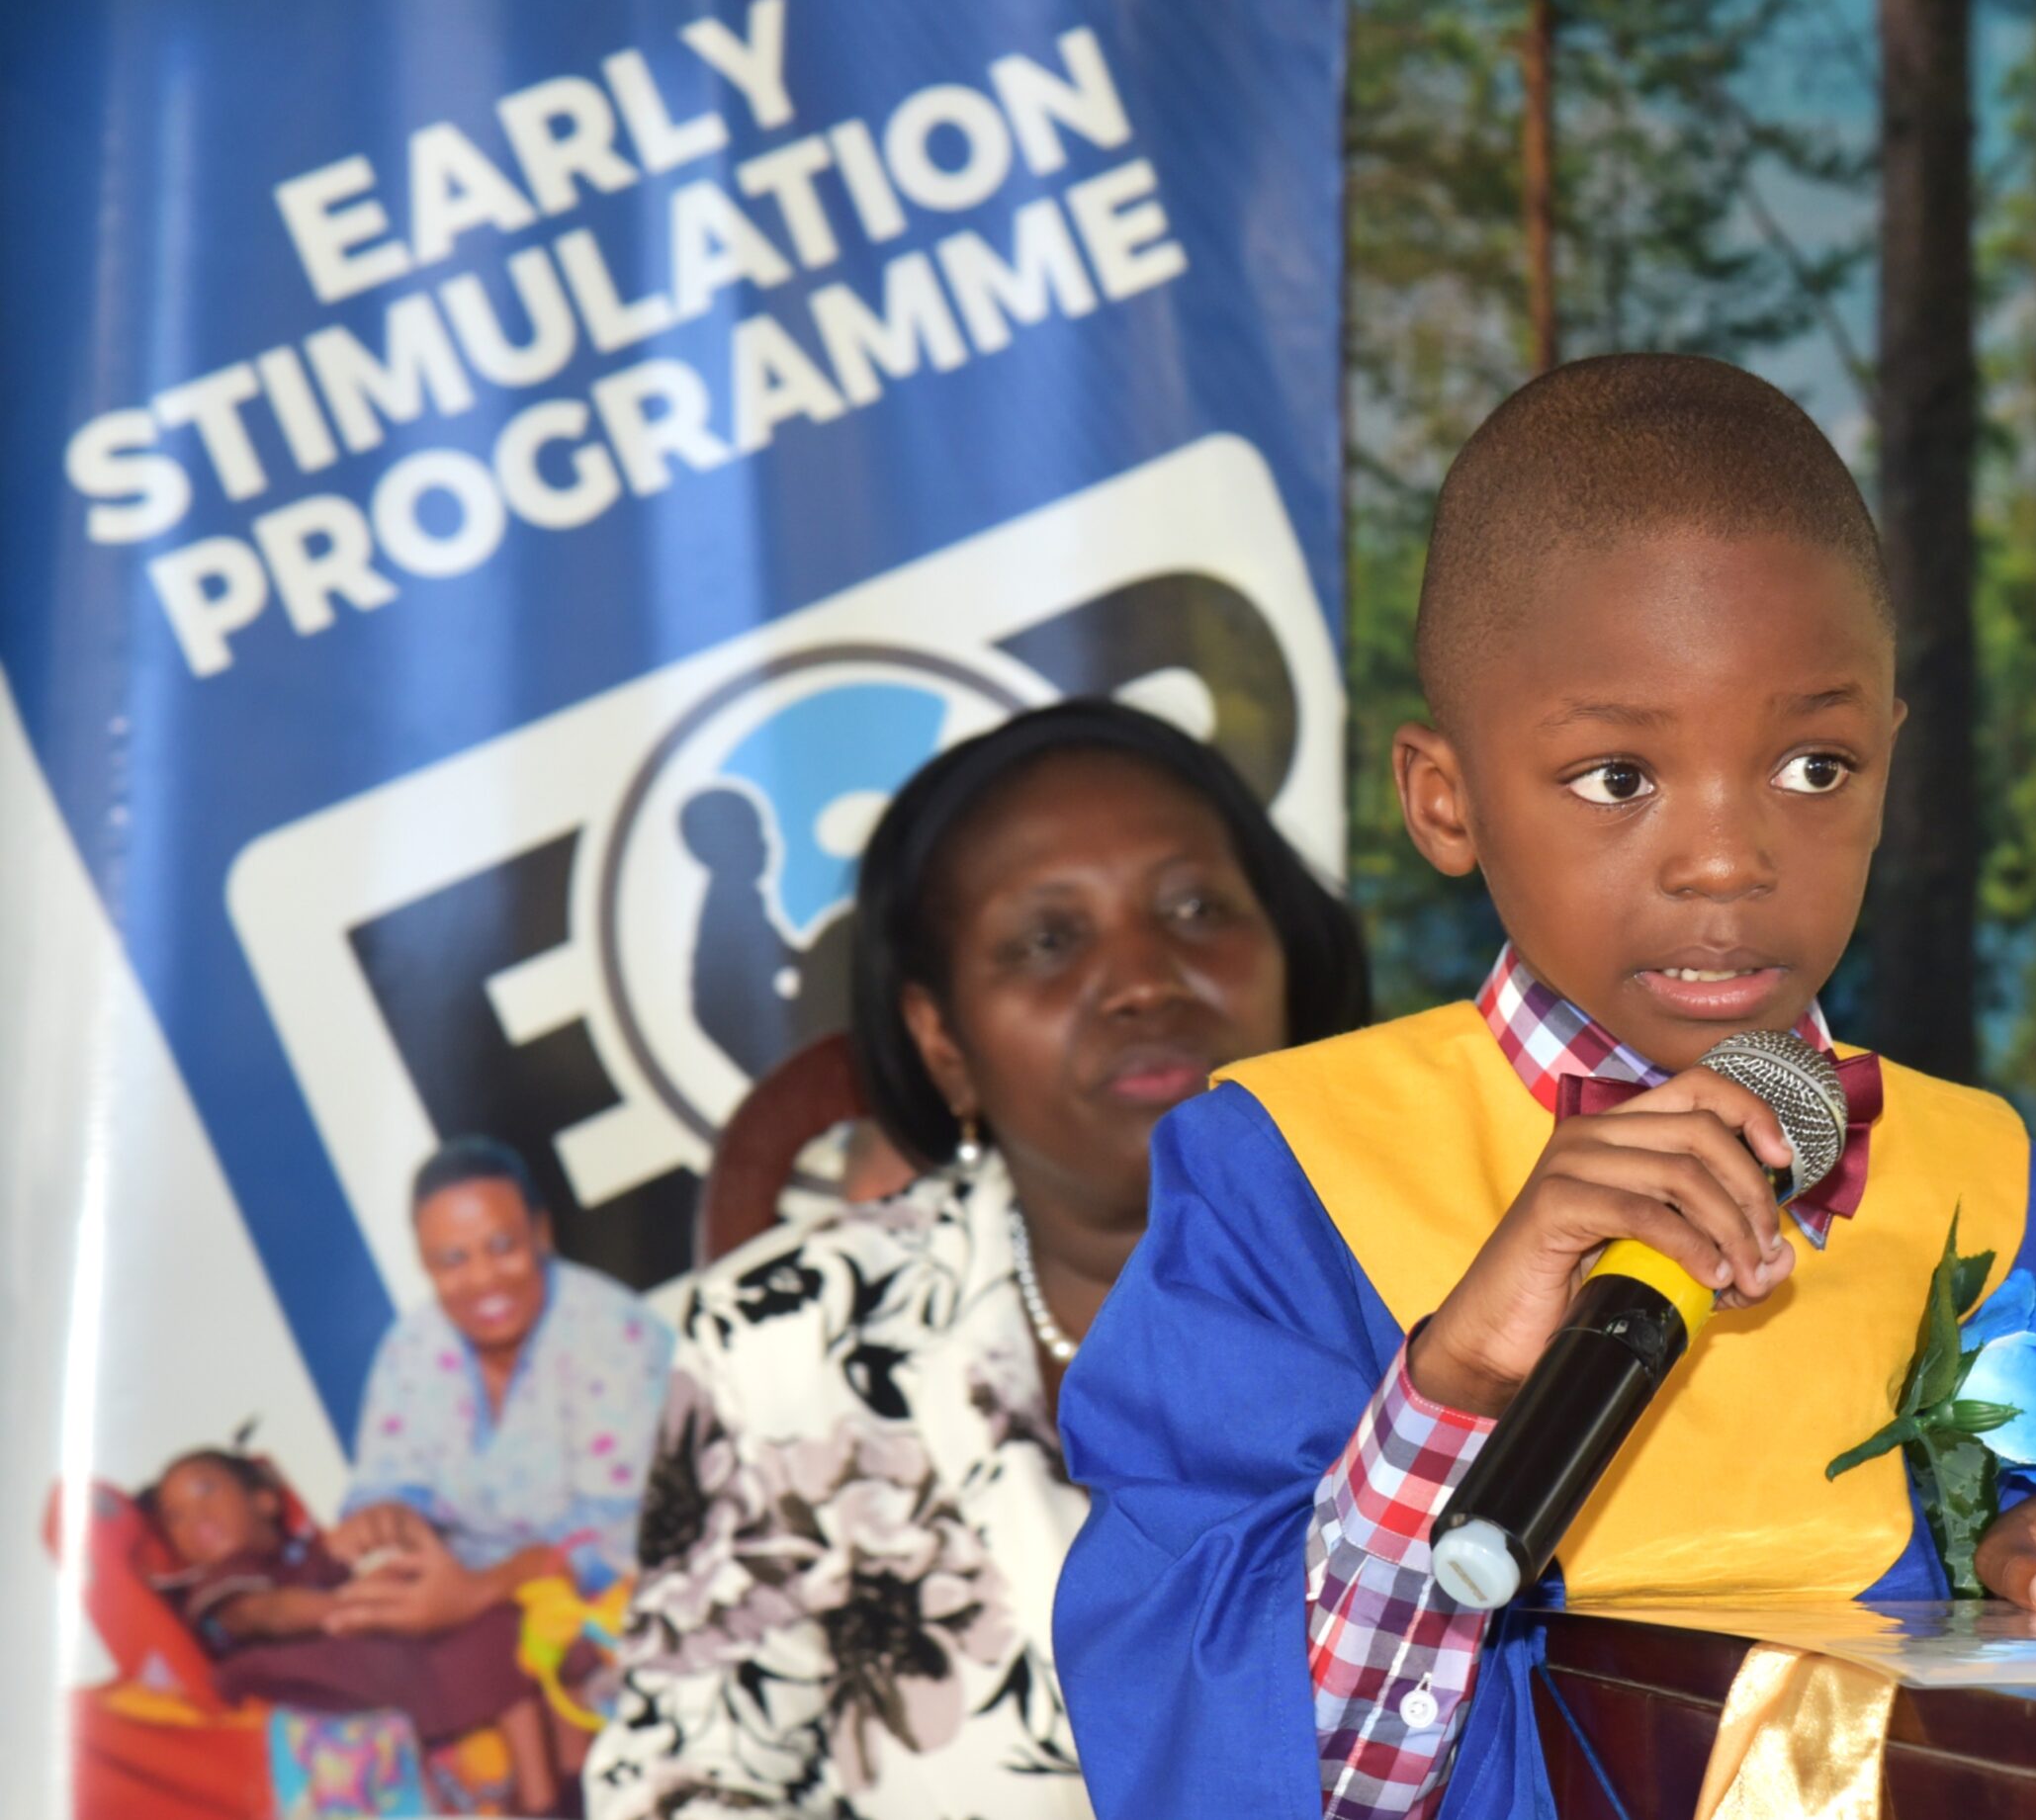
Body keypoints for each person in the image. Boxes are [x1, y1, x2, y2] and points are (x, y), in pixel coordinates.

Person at [1052, 355, 2036, 1819]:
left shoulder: (1996, 1183)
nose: (1728, 857)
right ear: (1444, 796)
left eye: (1812, 762)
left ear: (1891, 770)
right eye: (1616, 777)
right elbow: (1238, 1771)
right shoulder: (1281, 1177)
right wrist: (1458, 1381)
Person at [586, 700, 1370, 1820]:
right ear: (943, 1039)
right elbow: (680, 1786)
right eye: (1049, 940)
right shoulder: (793, 1329)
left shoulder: (1464, 1269)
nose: (1145, 977)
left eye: (1198, 907)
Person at [331, 1138, 675, 1640]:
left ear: (541, 1233)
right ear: (425, 1264)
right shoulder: (411, 1346)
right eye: (452, 1259)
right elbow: (389, 1479)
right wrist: (384, 1517)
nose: (483, 1279)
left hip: (626, 1596)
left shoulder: (615, 1335)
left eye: (501, 1247)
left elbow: (623, 1533)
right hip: (466, 1597)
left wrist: (478, 1593)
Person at [146, 1447, 561, 1813]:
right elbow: (264, 1613)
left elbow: (354, 1560)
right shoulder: (218, 1584)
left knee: (510, 1629)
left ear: (265, 1500)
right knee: (489, 1640)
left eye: (205, 1492)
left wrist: (377, 1545)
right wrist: (350, 1605)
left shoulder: (301, 1556)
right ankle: (543, 1803)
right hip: (304, 1683)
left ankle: (550, 1792)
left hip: (357, 1660)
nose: (194, 1518)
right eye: (175, 1517)